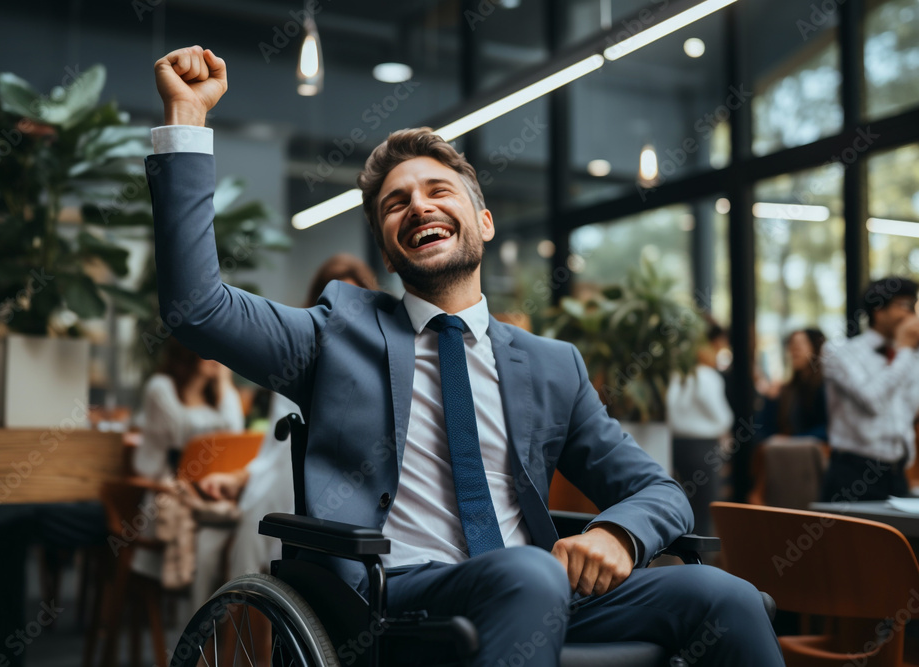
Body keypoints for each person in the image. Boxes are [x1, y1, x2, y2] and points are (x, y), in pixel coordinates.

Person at [146, 45, 783, 666]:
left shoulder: (551, 364)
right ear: (387, 248)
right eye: (396, 203)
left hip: (536, 586)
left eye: (438, 191)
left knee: (722, 595)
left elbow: (657, 490)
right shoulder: (333, 333)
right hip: (394, 598)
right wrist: (187, 121)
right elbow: (196, 307)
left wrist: (616, 532)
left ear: (483, 222)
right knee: (529, 575)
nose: (418, 205)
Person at [197, 254, 380, 583]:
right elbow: (276, 454)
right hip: (292, 498)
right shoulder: (297, 367)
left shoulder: (382, 374)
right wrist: (239, 481)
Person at [132, 336, 246, 607]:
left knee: (232, 535)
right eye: (211, 350)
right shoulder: (161, 388)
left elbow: (235, 434)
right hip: (170, 494)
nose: (217, 359)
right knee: (212, 542)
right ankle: (199, 626)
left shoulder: (218, 394)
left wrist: (225, 383)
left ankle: (218, 621)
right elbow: (181, 434)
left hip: (211, 496)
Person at [821, 277, 919, 502]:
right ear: (878, 310)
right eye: (903, 305)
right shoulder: (841, 352)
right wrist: (904, 351)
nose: (911, 316)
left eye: (913, 306)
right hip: (852, 475)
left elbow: (911, 412)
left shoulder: (910, 358)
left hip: (897, 474)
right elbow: (873, 400)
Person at [666, 323, 733, 536]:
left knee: (682, 506)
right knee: (706, 508)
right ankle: (705, 560)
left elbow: (670, 409)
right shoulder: (707, 376)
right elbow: (722, 416)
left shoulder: (677, 376)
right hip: (704, 449)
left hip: (677, 447)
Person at [776, 328, 827, 441]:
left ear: (816, 348)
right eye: (792, 345)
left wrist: (793, 440)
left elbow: (828, 427)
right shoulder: (790, 388)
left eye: (800, 344)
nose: (794, 350)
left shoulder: (824, 386)